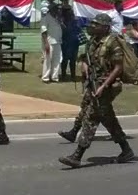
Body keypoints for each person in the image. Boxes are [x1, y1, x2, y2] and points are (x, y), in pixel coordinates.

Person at [57, 13, 133, 167]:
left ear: (105, 27)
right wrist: (84, 65)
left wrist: (104, 86)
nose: (92, 26)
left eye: (95, 24)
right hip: (93, 84)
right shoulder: (92, 41)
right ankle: (126, 149)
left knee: (91, 117)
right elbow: (85, 57)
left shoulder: (112, 43)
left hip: (106, 86)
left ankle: (77, 155)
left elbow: (118, 68)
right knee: (107, 118)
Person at [39, 1, 63, 83]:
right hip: (49, 42)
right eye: (56, 9)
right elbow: (43, 31)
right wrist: (46, 43)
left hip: (58, 42)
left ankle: (54, 77)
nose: (58, 10)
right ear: (51, 9)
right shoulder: (46, 18)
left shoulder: (57, 18)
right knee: (48, 60)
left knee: (57, 59)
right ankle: (45, 77)